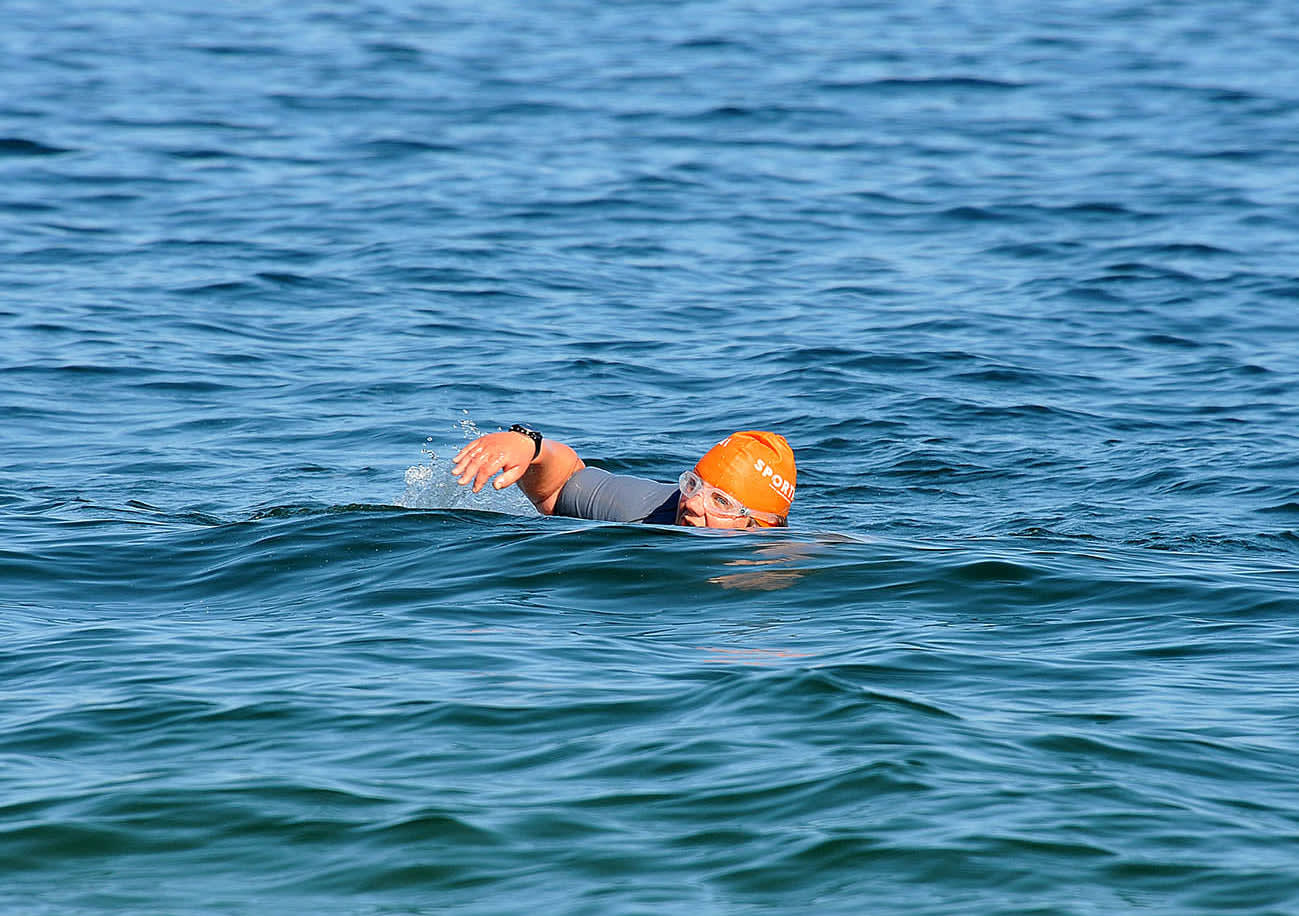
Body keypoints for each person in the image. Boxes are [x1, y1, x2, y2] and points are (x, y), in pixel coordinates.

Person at [452, 425, 796, 529]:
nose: (692, 503)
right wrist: (531, 446)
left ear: (758, 526)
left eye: (720, 501)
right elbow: (562, 486)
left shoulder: (785, 567)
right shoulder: (650, 510)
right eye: (693, 485)